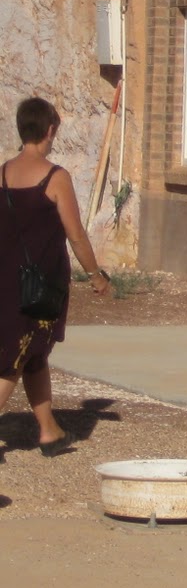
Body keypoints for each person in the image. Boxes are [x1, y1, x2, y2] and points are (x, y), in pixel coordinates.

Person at [0, 97, 111, 454]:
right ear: (50, 131)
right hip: (39, 287)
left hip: (5, 278)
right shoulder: (55, 177)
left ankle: (49, 430)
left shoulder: (2, 173)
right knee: (12, 360)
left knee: (35, 354)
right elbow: (75, 234)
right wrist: (95, 274)